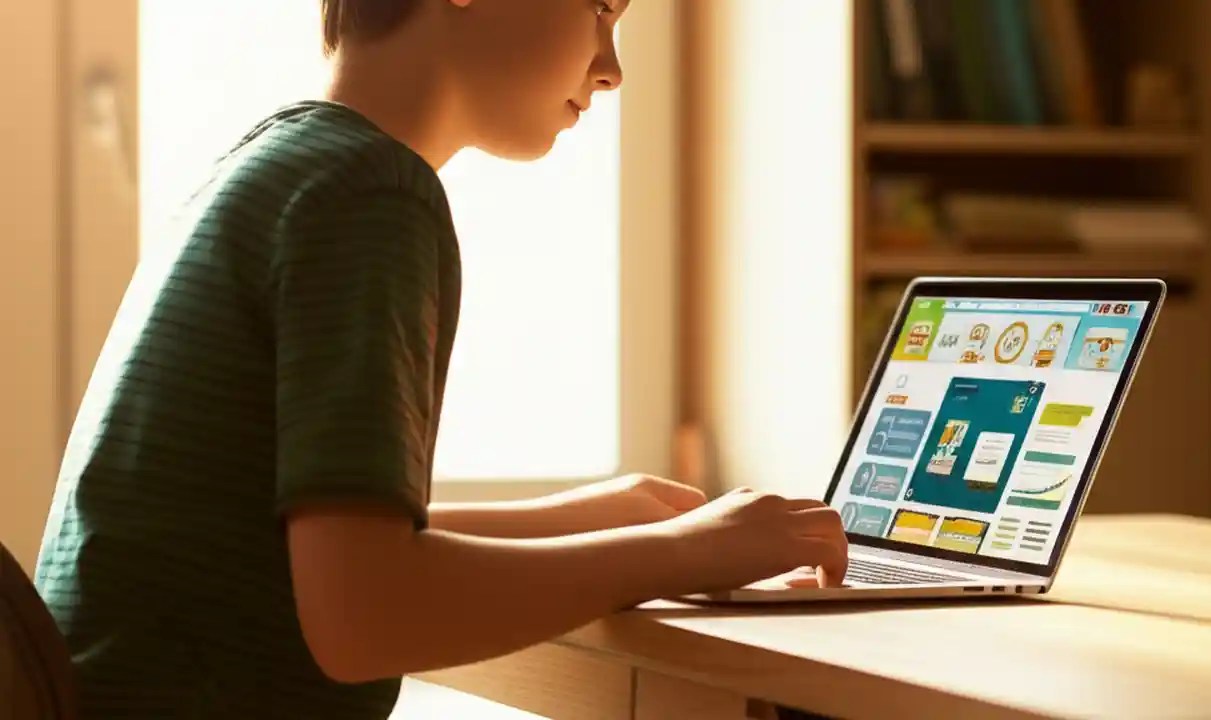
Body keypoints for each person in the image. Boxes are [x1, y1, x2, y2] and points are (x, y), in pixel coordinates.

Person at [35, 0, 849, 717]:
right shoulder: (370, 191)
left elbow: (289, 546)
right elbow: (365, 617)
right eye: (600, 10)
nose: (612, 72)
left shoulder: (275, 167)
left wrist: (580, 520)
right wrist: (692, 552)